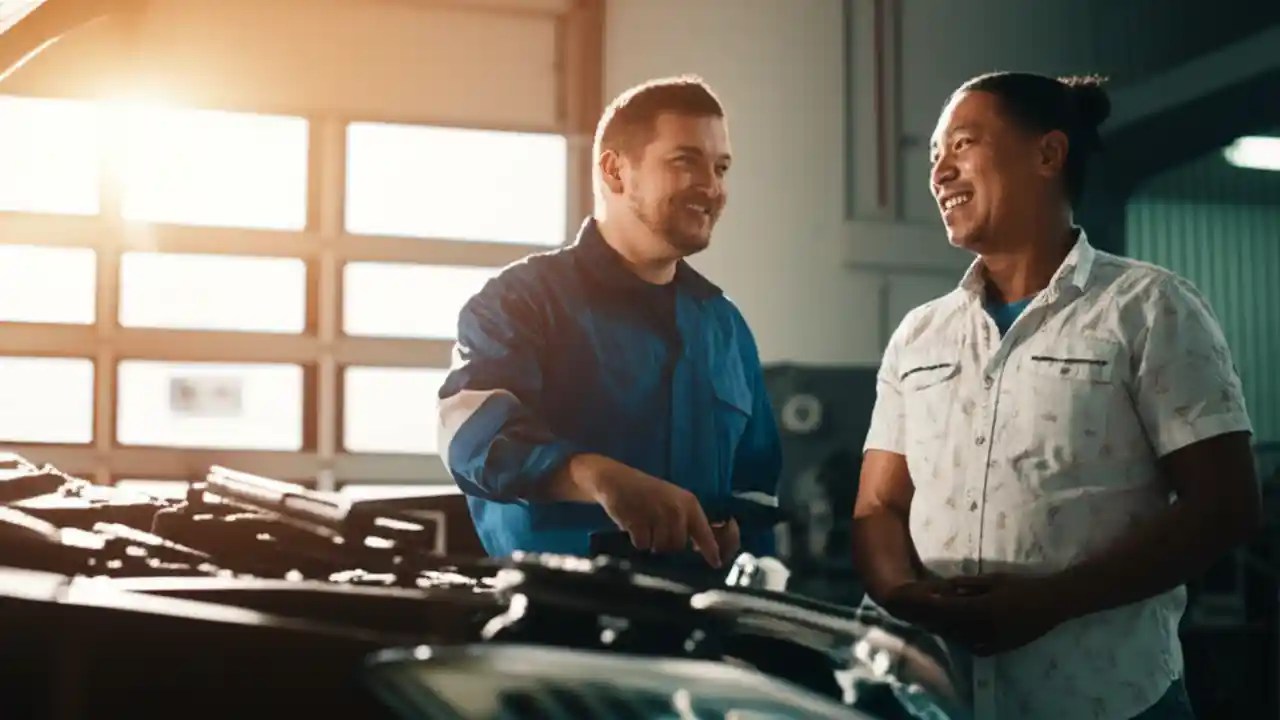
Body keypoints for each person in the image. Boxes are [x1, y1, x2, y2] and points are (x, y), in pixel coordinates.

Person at [853, 72, 1261, 720]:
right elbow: (877, 504)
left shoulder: (1150, 307)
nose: (940, 173)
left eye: (961, 145)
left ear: (1047, 154)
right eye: (934, 157)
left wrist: (1053, 601)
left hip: (1107, 702)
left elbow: (1225, 504)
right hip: (935, 703)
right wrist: (904, 595)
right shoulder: (919, 334)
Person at [437, 75, 781, 568]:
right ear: (615, 171)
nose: (711, 186)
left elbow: (757, 490)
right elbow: (470, 435)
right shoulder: (521, 303)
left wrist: (742, 538)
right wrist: (593, 475)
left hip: (698, 629)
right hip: (553, 628)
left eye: (720, 167)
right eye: (685, 161)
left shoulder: (727, 331)